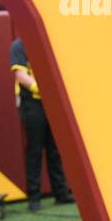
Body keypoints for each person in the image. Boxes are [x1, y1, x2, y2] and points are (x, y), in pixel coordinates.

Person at [9, 38, 73, 211]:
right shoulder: (20, 46)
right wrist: (44, 88)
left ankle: (61, 192)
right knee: (35, 150)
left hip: (53, 102)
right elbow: (21, 76)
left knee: (55, 149)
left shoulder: (51, 40)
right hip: (32, 103)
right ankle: (34, 197)